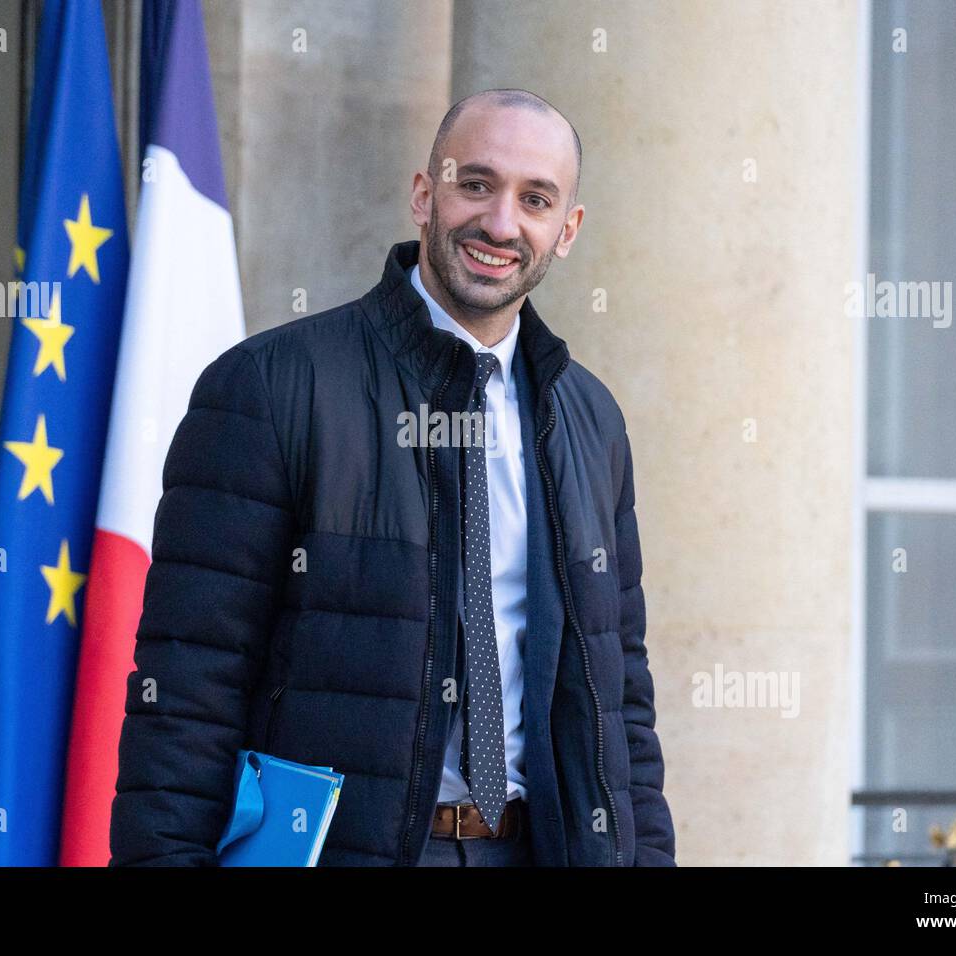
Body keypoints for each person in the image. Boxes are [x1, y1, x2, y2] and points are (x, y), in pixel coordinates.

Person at [109, 88, 676, 866]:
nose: (500, 223)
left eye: (534, 199)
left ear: (566, 230)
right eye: (475, 184)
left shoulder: (590, 420)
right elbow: (189, 681)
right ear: (424, 193)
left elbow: (623, 699)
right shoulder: (270, 388)